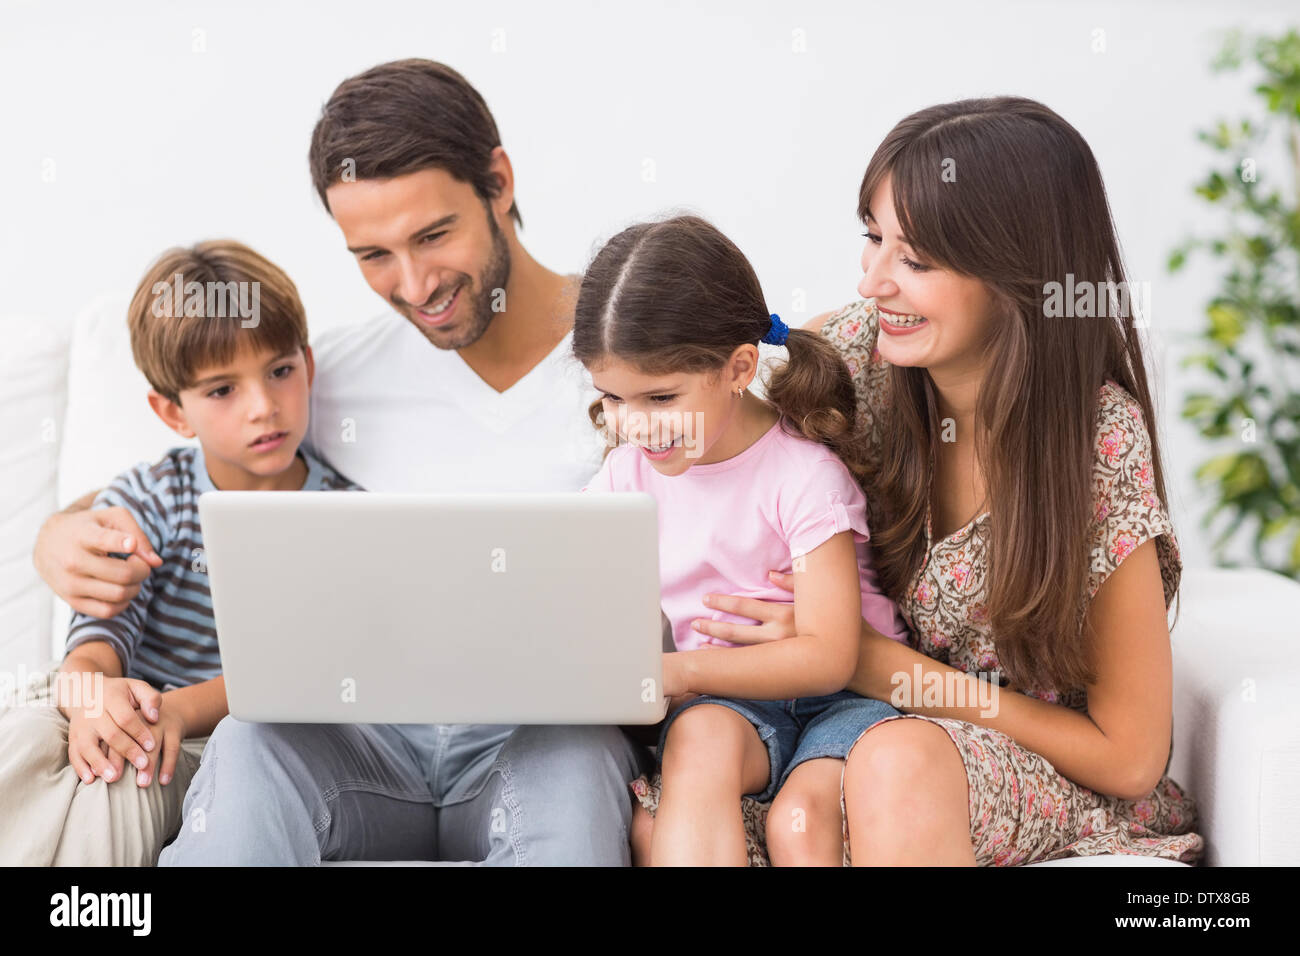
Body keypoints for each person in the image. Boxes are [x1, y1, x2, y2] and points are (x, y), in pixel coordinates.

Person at [31, 60, 650, 865]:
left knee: (574, 754)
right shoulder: (329, 376)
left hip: (531, 743)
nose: (415, 284)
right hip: (365, 748)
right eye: (373, 255)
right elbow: (197, 459)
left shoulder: (644, 362)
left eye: (433, 235)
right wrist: (58, 533)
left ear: (498, 182)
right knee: (253, 741)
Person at [696, 97, 1205, 865]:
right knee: (692, 797)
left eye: (915, 260)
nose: (873, 284)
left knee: (899, 764)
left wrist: (884, 669)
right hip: (851, 730)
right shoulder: (854, 362)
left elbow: (1129, 757)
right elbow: (698, 412)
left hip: (1025, 769)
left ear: (1018, 275)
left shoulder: (1096, 440)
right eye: (872, 241)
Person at [0, 240, 360, 865]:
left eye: (280, 371)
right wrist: (95, 704)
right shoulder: (149, 497)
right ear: (173, 412)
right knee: (25, 736)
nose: (263, 407)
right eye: (223, 390)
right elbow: (91, 648)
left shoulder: (341, 516)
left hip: (212, 740)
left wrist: (169, 711)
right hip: (122, 708)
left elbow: (305, 673)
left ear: (308, 362)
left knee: (128, 777)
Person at [575, 215, 910, 866]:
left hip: (845, 706)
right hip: (728, 707)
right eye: (612, 398)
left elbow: (831, 656)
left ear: (739, 367)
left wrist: (680, 671)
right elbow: (572, 587)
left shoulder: (804, 476)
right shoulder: (625, 476)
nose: (634, 425)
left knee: (801, 824)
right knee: (697, 743)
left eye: (661, 397)